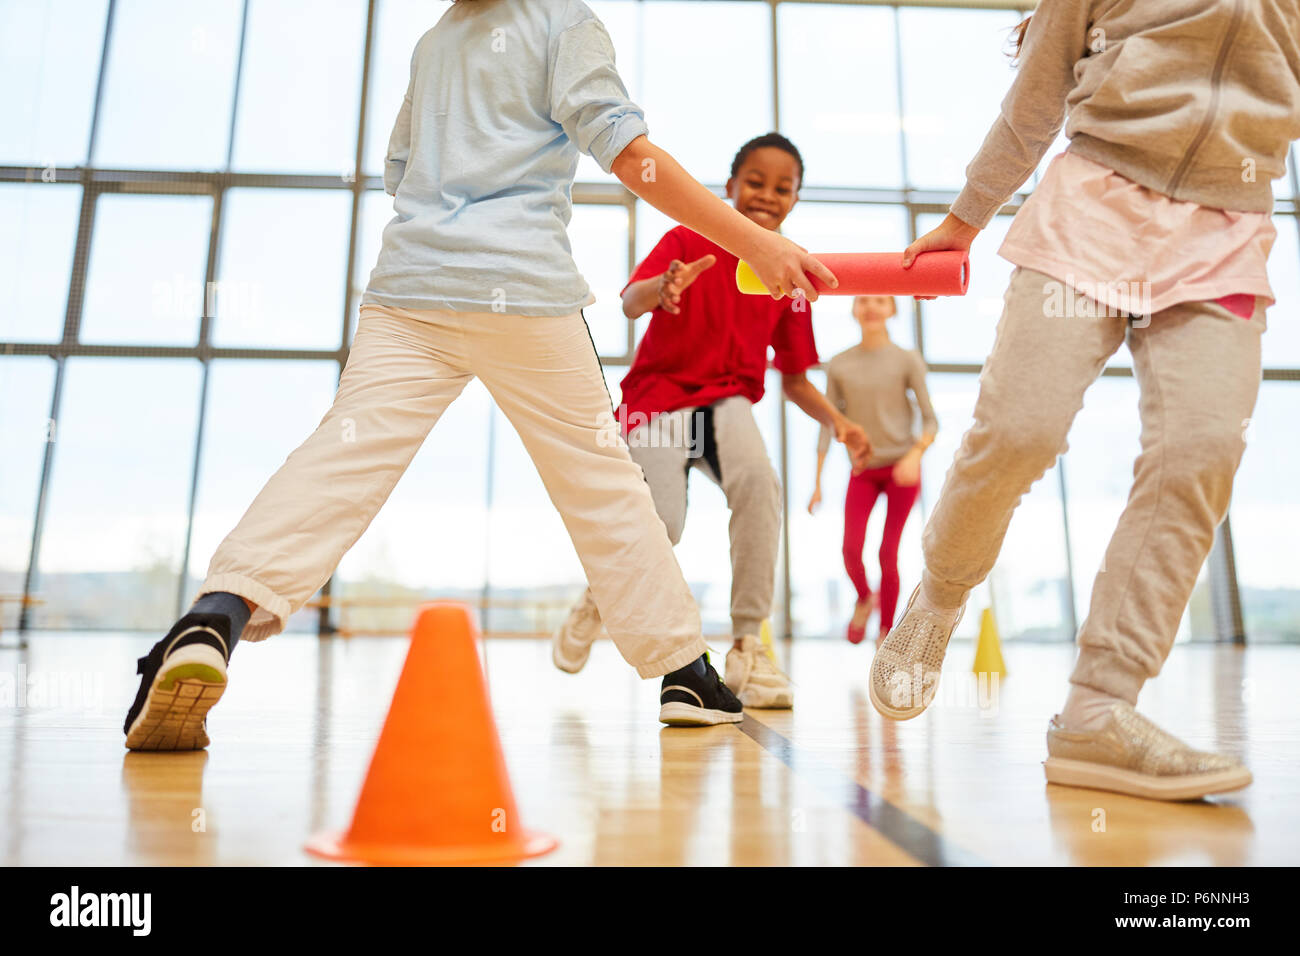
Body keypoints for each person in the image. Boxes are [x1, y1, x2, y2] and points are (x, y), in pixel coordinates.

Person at [123, 0, 839, 750]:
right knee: (601, 483)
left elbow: (400, 170)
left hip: (410, 291)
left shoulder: (436, 39)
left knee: (338, 459)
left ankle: (215, 617)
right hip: (522, 291)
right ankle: (684, 672)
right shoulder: (564, 21)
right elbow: (631, 156)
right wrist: (755, 242)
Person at [869, 0, 1299, 801]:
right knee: (1019, 432)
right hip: (1093, 204)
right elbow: (1036, 95)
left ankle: (1097, 708)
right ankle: (941, 592)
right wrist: (966, 218)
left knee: (1201, 454)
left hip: (1226, 230)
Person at [551, 132, 871, 708]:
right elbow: (630, 302)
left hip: (725, 404)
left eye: (783, 188)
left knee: (760, 487)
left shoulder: (789, 272)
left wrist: (838, 423)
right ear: (730, 186)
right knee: (663, 525)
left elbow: (796, 378)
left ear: (796, 198)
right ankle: (598, 598)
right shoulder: (686, 237)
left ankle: (748, 647)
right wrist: (663, 287)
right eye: (756, 182)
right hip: (661, 398)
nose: (767, 195)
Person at [808, 295, 936, 645]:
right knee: (850, 549)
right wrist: (817, 482)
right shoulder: (839, 364)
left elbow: (930, 420)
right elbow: (828, 424)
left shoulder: (907, 359)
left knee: (887, 553)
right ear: (853, 310)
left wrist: (915, 455)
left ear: (892, 309)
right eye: (863, 300)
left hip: (901, 470)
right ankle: (865, 598)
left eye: (880, 301)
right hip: (863, 469)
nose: (871, 307)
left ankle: (884, 634)